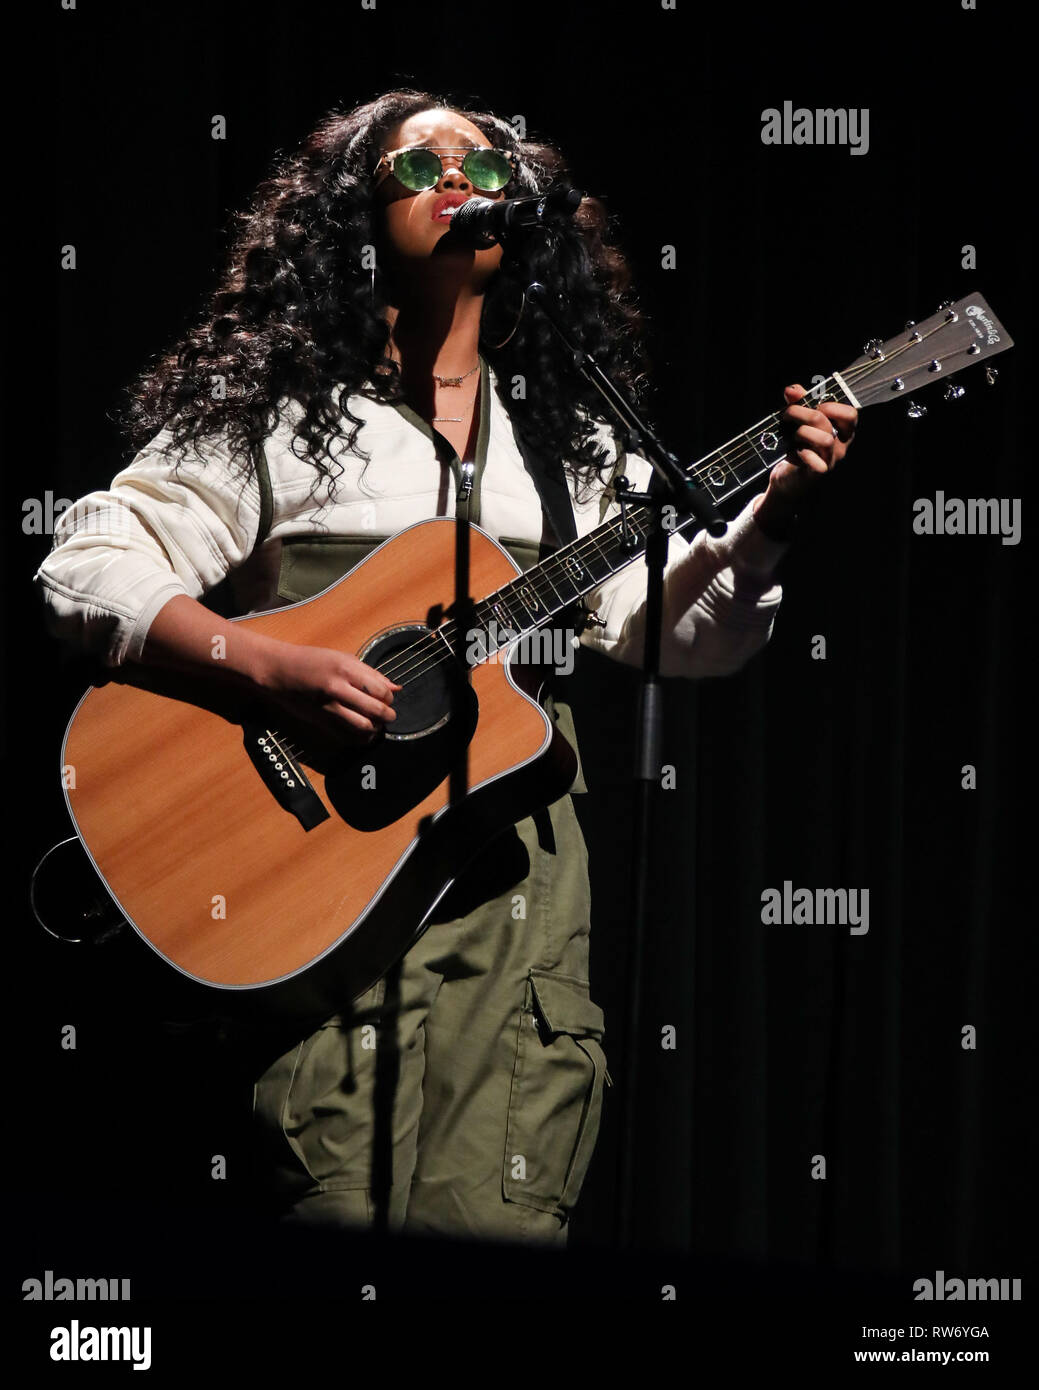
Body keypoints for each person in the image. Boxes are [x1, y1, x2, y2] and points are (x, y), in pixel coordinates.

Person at [34, 89, 857, 1245]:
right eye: (421, 166)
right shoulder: (276, 419)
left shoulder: (570, 449)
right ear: (355, 222)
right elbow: (86, 569)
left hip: (514, 916)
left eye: (487, 164)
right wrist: (263, 666)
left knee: (499, 1231)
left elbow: (669, 634)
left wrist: (775, 518)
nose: (462, 181)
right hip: (311, 908)